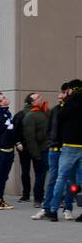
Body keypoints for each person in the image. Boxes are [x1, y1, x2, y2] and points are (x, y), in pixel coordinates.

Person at [43, 79, 82, 222]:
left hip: (69, 146)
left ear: (71, 89)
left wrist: (68, 100)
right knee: (79, 181)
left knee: (61, 178)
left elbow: (60, 117)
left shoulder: (70, 102)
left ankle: (53, 211)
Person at [36, 88, 76, 221]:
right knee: (53, 179)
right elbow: (49, 129)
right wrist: (51, 142)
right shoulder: (54, 111)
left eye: (62, 97)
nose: (59, 100)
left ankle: (68, 208)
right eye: (59, 98)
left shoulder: (71, 110)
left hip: (67, 148)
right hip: (54, 149)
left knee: (69, 180)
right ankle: (46, 208)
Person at [17, 96, 48, 207]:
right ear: (32, 102)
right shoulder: (24, 115)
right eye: (37, 97)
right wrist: (18, 143)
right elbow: (20, 132)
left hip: (38, 148)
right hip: (29, 149)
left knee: (37, 173)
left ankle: (31, 196)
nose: (41, 98)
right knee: (32, 172)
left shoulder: (44, 112)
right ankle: (32, 196)